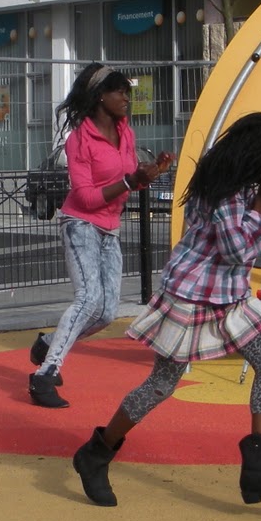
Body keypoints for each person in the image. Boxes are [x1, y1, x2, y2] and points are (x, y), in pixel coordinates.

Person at [71, 112, 261, 508]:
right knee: (162, 384)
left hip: (228, 293)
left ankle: (259, 466)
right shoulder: (227, 188)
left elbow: (238, 253)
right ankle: (95, 454)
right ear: (260, 154)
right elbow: (237, 251)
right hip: (193, 292)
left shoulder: (243, 182)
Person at [28, 63, 174, 408]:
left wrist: (150, 173)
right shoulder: (80, 140)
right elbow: (86, 197)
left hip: (109, 226)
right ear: (99, 96)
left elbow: (129, 179)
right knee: (88, 298)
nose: (126, 97)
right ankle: (43, 376)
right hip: (80, 224)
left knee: (107, 312)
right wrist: (130, 181)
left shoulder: (126, 131)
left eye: (127, 90)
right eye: (119, 91)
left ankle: (48, 344)